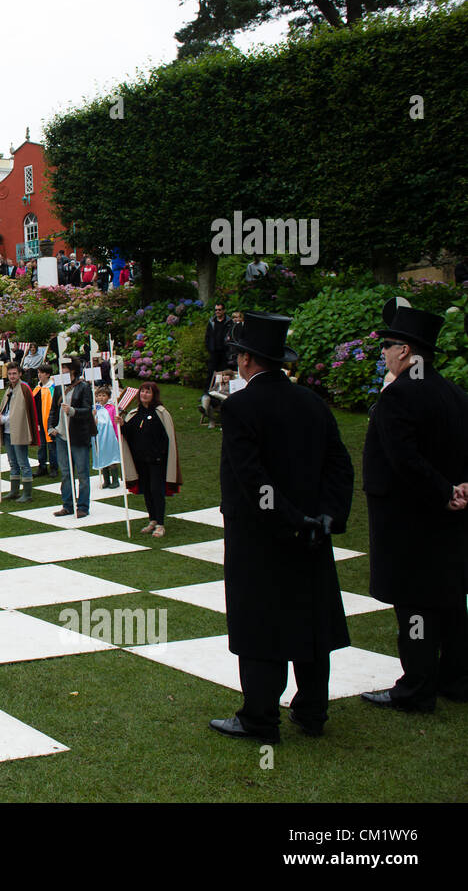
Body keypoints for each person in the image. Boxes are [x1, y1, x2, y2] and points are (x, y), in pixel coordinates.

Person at [211, 312, 354, 744]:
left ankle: (260, 717)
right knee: (311, 620)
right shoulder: (313, 402)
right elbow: (340, 466)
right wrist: (325, 519)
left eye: (239, 355)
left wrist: (291, 520)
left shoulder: (239, 407)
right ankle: (312, 712)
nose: (236, 362)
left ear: (250, 361)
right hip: (312, 534)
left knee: (260, 625)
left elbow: (254, 481)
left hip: (260, 536)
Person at [360, 302, 468, 712]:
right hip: (450, 517)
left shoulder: (399, 395)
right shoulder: (455, 393)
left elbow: (404, 458)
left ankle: (417, 687)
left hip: (410, 519)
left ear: (404, 351)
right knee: (450, 597)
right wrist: (460, 490)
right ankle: (457, 678)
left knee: (414, 605)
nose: (384, 354)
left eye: (388, 347)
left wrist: (444, 490)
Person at [120, 381, 180, 535]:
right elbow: (129, 433)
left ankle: (160, 523)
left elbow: (167, 437)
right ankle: (152, 519)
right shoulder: (135, 413)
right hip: (141, 460)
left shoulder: (160, 413)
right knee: (146, 490)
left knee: (156, 490)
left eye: (148, 392)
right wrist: (121, 424)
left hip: (157, 460)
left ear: (154, 395)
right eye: (142, 392)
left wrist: (160, 454)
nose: (144, 394)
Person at [48, 359, 93, 518]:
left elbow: (88, 410)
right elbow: (53, 409)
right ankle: (67, 504)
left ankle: (83, 506)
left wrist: (73, 411)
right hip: (61, 436)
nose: (62, 371)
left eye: (65, 369)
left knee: (82, 473)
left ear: (73, 370)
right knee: (66, 473)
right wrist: (50, 427)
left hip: (78, 436)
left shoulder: (84, 387)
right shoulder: (59, 387)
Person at [0, 364, 38, 502]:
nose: (12, 376)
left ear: (20, 374)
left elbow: (21, 411)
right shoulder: (10, 388)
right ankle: (14, 490)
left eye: (14, 373)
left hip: (19, 429)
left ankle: (27, 493)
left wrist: (3, 418)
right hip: (8, 431)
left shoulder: (24, 388)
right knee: (12, 462)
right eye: (10, 374)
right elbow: (7, 407)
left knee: (22, 461)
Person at [93, 386, 123, 489]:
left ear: (108, 397)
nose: (101, 398)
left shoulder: (111, 408)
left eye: (103, 395)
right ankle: (106, 480)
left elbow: (114, 423)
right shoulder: (95, 409)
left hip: (110, 437)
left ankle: (115, 480)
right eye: (99, 395)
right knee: (102, 458)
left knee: (112, 458)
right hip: (99, 437)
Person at [31, 364, 55, 476]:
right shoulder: (37, 388)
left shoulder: (52, 388)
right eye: (38, 372)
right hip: (39, 421)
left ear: (48, 374)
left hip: (49, 422)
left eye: (42, 373)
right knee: (41, 446)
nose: (39, 375)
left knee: (51, 447)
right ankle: (42, 467)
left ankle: (54, 467)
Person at [205, 303, 234, 387]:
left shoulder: (229, 322)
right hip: (214, 352)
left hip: (224, 352)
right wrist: (209, 347)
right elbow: (207, 336)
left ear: (224, 311)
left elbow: (232, 336)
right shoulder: (212, 322)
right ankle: (207, 392)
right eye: (216, 310)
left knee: (223, 373)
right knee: (210, 372)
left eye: (219, 310)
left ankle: (221, 392)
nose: (217, 311)